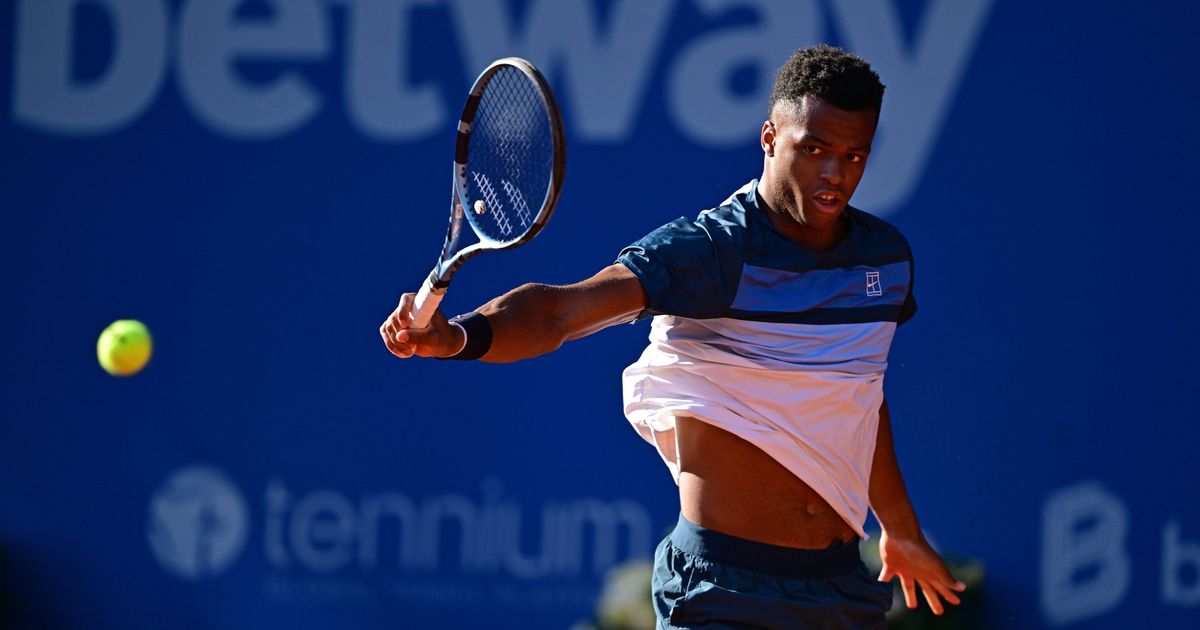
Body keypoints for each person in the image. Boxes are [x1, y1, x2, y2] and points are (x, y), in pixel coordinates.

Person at [381, 44, 964, 629]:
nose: (835, 174)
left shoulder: (884, 261)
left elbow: (858, 397)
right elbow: (559, 312)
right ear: (769, 139)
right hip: (722, 591)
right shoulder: (712, 250)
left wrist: (901, 529)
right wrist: (457, 336)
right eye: (812, 150)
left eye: (853, 154)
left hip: (838, 589)